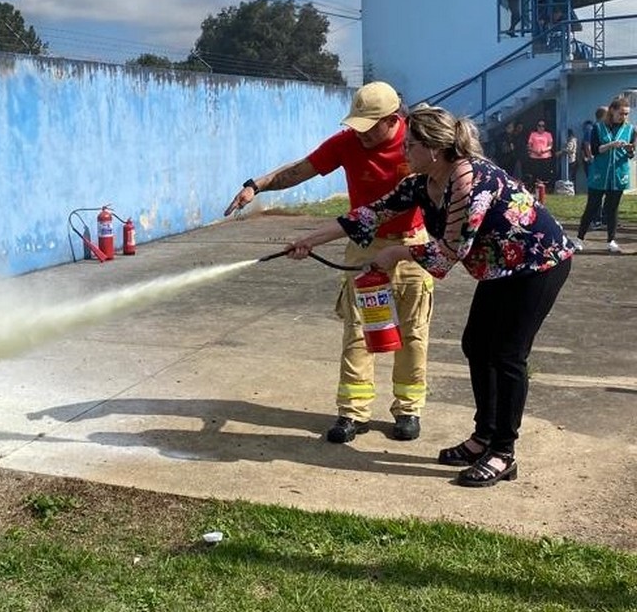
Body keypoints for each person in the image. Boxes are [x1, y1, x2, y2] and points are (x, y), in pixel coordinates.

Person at [284, 104, 573, 488]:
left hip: (539, 264)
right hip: (500, 267)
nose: (403, 153)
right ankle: (482, 437)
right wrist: (308, 241)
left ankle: (503, 453)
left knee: (506, 354)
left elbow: (450, 252)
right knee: (476, 345)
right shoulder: (422, 183)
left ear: (434, 149)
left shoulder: (469, 180)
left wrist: (397, 253)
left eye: (410, 146)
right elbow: (369, 215)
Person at [225, 82, 433, 444]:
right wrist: (254, 185)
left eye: (369, 126)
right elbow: (300, 169)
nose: (360, 134)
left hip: (411, 244)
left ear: (393, 120)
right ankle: (353, 412)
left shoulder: (415, 144)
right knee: (359, 329)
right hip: (364, 245)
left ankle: (408, 410)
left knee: (412, 332)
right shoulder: (347, 142)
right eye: (357, 125)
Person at [575, 95, 635, 253]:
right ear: (612, 111)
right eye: (621, 113)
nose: (624, 117)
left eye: (626, 114)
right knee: (592, 206)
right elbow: (595, 150)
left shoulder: (630, 129)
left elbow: (631, 154)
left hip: (618, 173)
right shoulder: (598, 127)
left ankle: (611, 241)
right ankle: (579, 238)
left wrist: (630, 150)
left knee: (612, 208)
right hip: (600, 173)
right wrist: (611, 145)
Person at [582, 107, 607, 228]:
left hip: (600, 164)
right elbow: (586, 143)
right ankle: (593, 220)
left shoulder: (602, 128)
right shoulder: (591, 128)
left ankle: (601, 218)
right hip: (593, 164)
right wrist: (591, 157)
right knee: (595, 192)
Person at [526, 118, 554, 189]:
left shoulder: (548, 134)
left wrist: (543, 150)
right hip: (534, 156)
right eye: (539, 125)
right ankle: (534, 187)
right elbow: (529, 145)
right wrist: (535, 150)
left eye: (543, 126)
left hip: (545, 156)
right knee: (535, 173)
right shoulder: (533, 134)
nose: (541, 127)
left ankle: (545, 188)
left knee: (545, 173)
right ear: (537, 126)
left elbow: (550, 145)